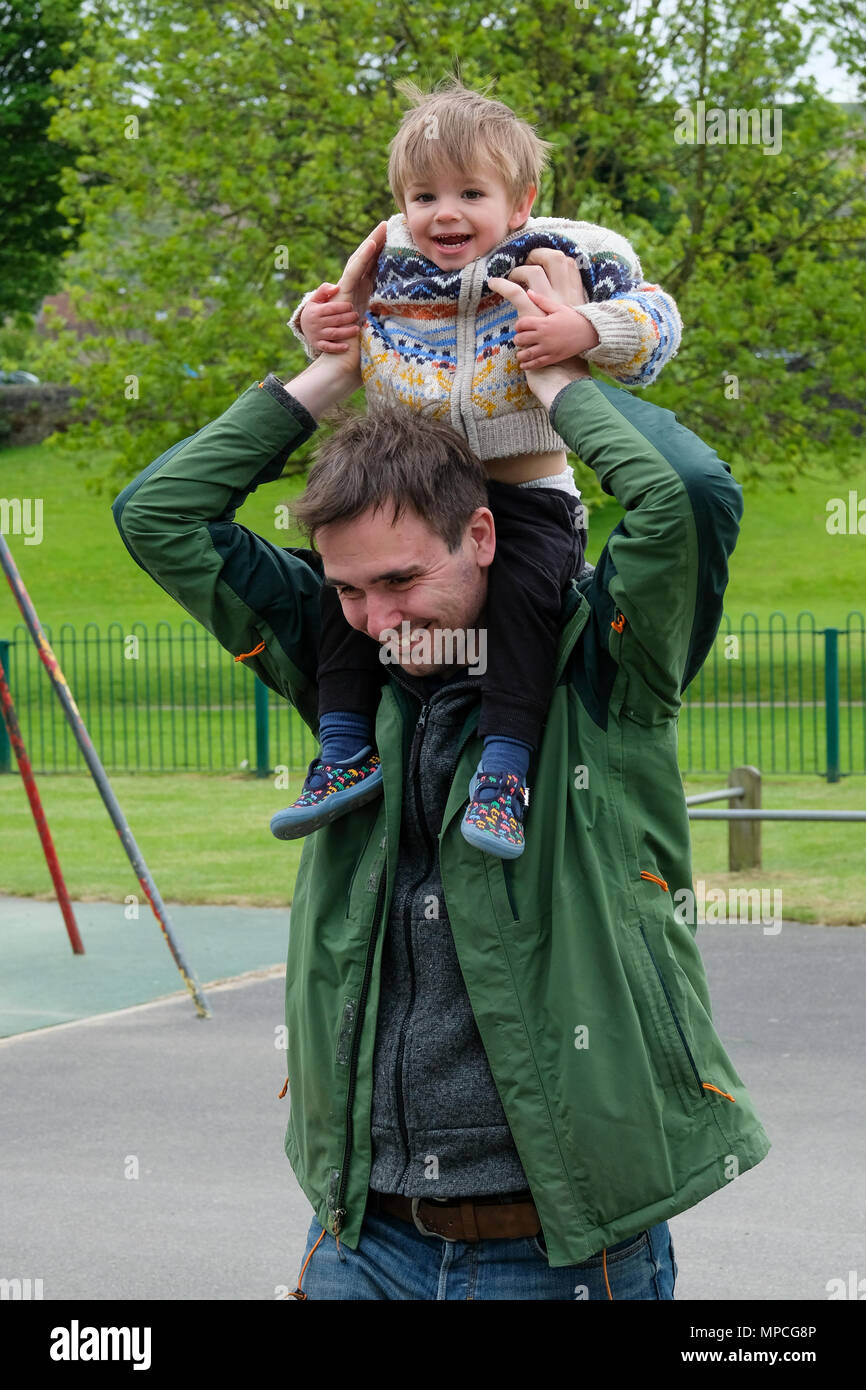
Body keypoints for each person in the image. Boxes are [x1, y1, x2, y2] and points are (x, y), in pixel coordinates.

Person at [112, 232, 770, 1301]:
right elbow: (157, 514)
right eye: (348, 590)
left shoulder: (604, 664)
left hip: (561, 1252)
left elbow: (687, 495)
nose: (376, 620)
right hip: (363, 1238)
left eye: (402, 580)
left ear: (479, 532)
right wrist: (325, 377)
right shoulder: (343, 671)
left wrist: (557, 376)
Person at [271, 77, 683, 860]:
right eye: (423, 196)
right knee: (350, 591)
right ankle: (343, 748)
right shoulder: (392, 255)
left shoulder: (570, 252)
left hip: (525, 489)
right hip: (414, 491)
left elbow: (657, 327)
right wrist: (312, 321)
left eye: (470, 192)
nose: (444, 214)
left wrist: (582, 330)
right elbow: (339, 315)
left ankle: (503, 776)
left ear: (520, 201)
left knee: (527, 603)